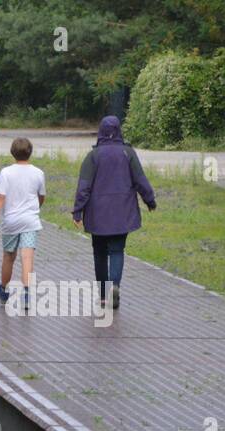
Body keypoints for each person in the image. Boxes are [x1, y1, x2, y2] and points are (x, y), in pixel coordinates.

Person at [71, 115, 156, 311]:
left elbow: (84, 186)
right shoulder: (128, 153)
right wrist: (149, 200)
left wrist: (77, 211)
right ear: (119, 131)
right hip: (122, 211)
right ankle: (115, 286)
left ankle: (103, 295)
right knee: (117, 250)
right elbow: (140, 180)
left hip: (97, 213)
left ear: (100, 131)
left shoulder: (93, 156)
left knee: (99, 253)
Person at [0, 137, 46, 310]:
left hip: (11, 222)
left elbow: (0, 198)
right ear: (30, 152)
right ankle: (27, 294)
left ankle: (4, 290)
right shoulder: (38, 173)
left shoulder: (6, 173)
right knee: (27, 257)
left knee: (9, 257)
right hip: (30, 221)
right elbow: (41, 196)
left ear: (13, 153)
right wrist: (36, 208)